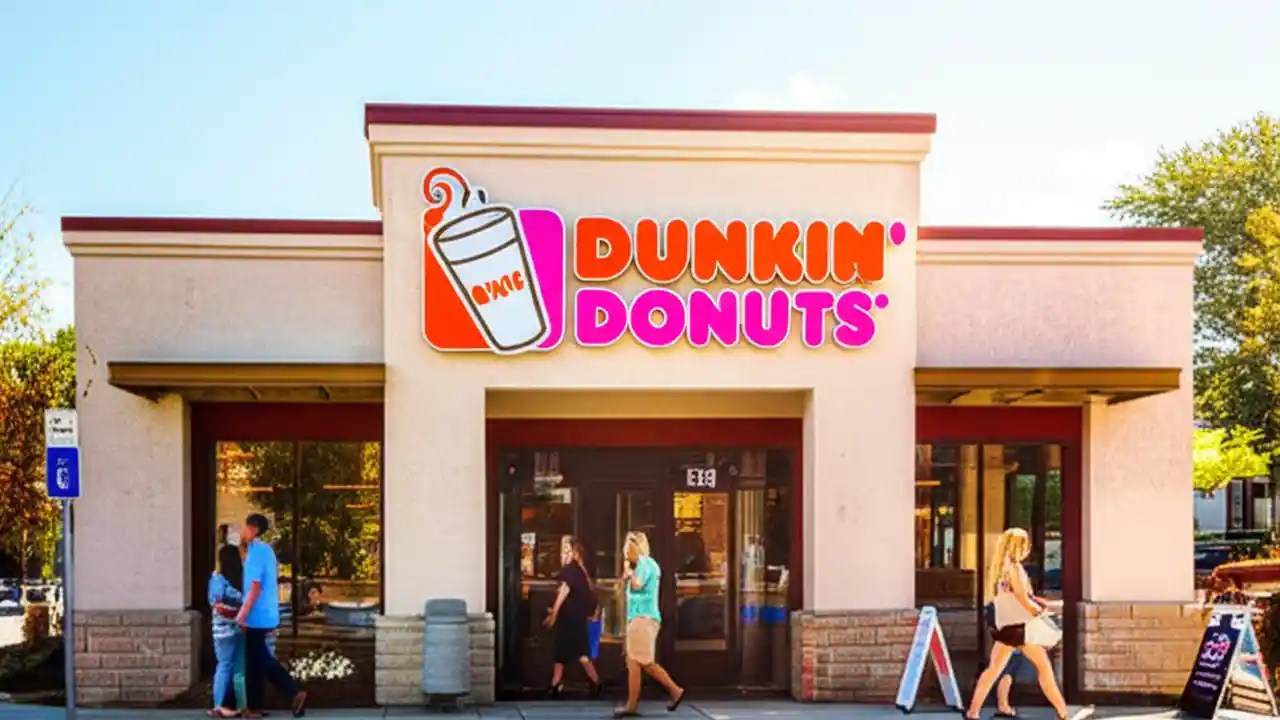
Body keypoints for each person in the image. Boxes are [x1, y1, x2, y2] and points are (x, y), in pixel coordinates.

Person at [965, 528, 1090, 720]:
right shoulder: (1015, 569)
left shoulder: (1000, 570)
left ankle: (973, 712)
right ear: (1019, 547)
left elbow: (1010, 599)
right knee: (1044, 670)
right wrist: (1039, 612)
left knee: (992, 670)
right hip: (1021, 628)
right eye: (1026, 545)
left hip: (1006, 628)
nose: (1028, 549)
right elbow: (1023, 599)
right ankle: (1064, 713)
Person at [235, 514, 307, 718]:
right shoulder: (263, 551)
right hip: (264, 614)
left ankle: (294, 692)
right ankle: (256, 706)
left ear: (254, 529)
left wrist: (242, 615)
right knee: (257, 661)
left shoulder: (257, 552)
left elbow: (255, 588)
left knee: (261, 660)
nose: (242, 531)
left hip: (257, 616)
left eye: (245, 527)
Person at [614, 531, 684, 718]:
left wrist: (629, 574)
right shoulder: (645, 565)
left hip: (642, 619)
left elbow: (638, 585)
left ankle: (674, 690)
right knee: (635, 662)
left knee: (644, 662)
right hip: (640, 619)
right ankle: (632, 704)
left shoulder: (645, 564)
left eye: (628, 547)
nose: (625, 552)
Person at [543, 536, 602, 698]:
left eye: (568, 551)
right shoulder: (579, 571)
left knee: (567, 651)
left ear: (575, 553)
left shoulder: (570, 570)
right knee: (576, 652)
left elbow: (564, 592)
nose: (565, 555)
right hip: (575, 618)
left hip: (570, 619)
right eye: (563, 552)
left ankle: (558, 683)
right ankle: (590, 682)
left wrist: (554, 613)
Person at [208, 545, 244, 718]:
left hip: (221, 630)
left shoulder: (217, 579)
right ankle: (238, 703)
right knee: (236, 666)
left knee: (224, 665)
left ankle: (220, 704)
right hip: (240, 628)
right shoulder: (241, 580)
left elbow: (215, 603)